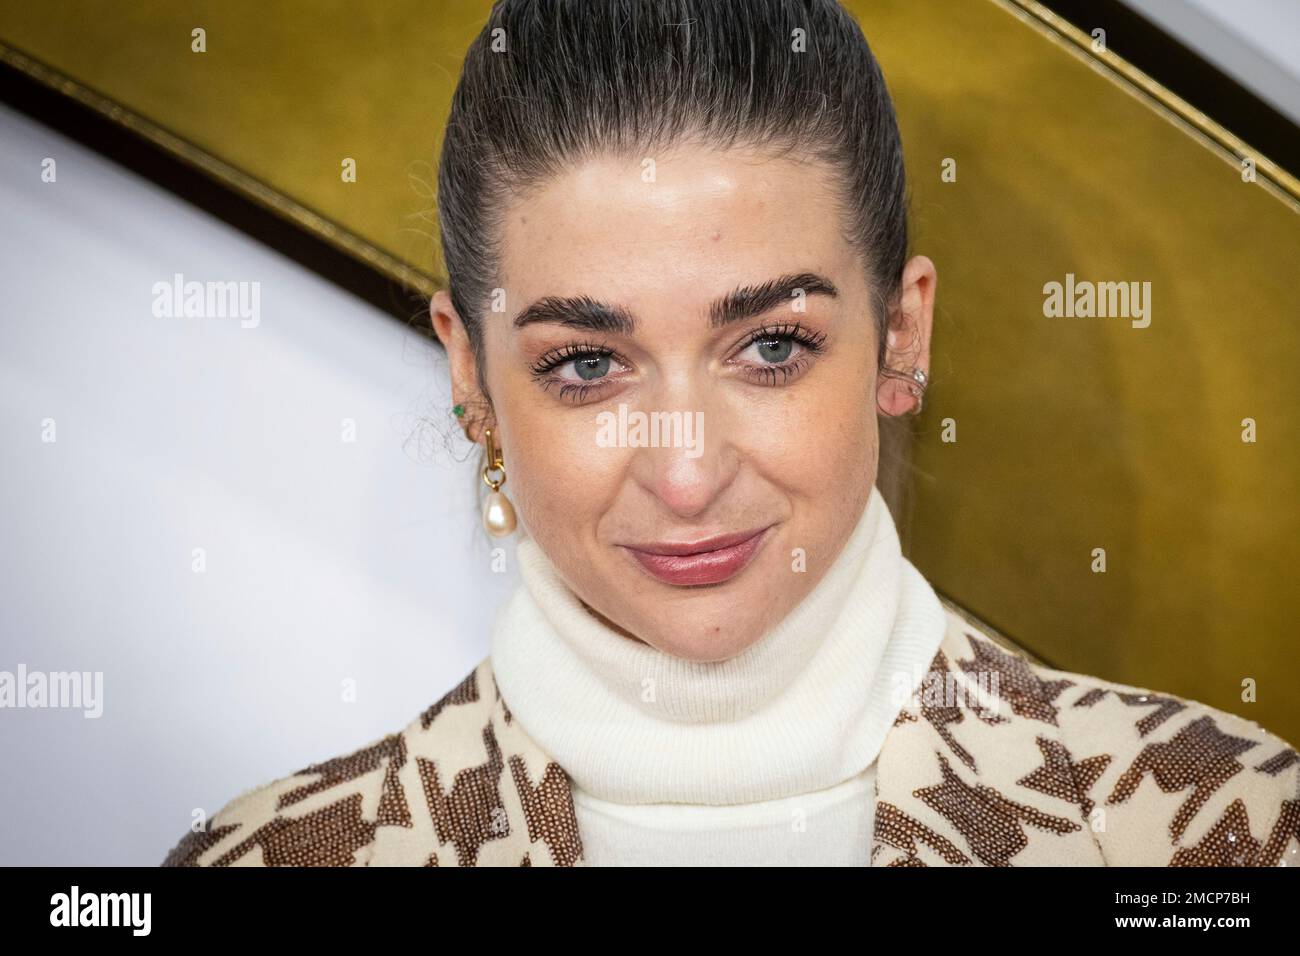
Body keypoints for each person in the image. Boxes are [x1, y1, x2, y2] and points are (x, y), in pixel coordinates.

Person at [162, 0, 1299, 868]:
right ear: (470, 370)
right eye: (586, 364)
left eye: (770, 346)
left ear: (902, 330)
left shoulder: (1223, 827)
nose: (690, 471)